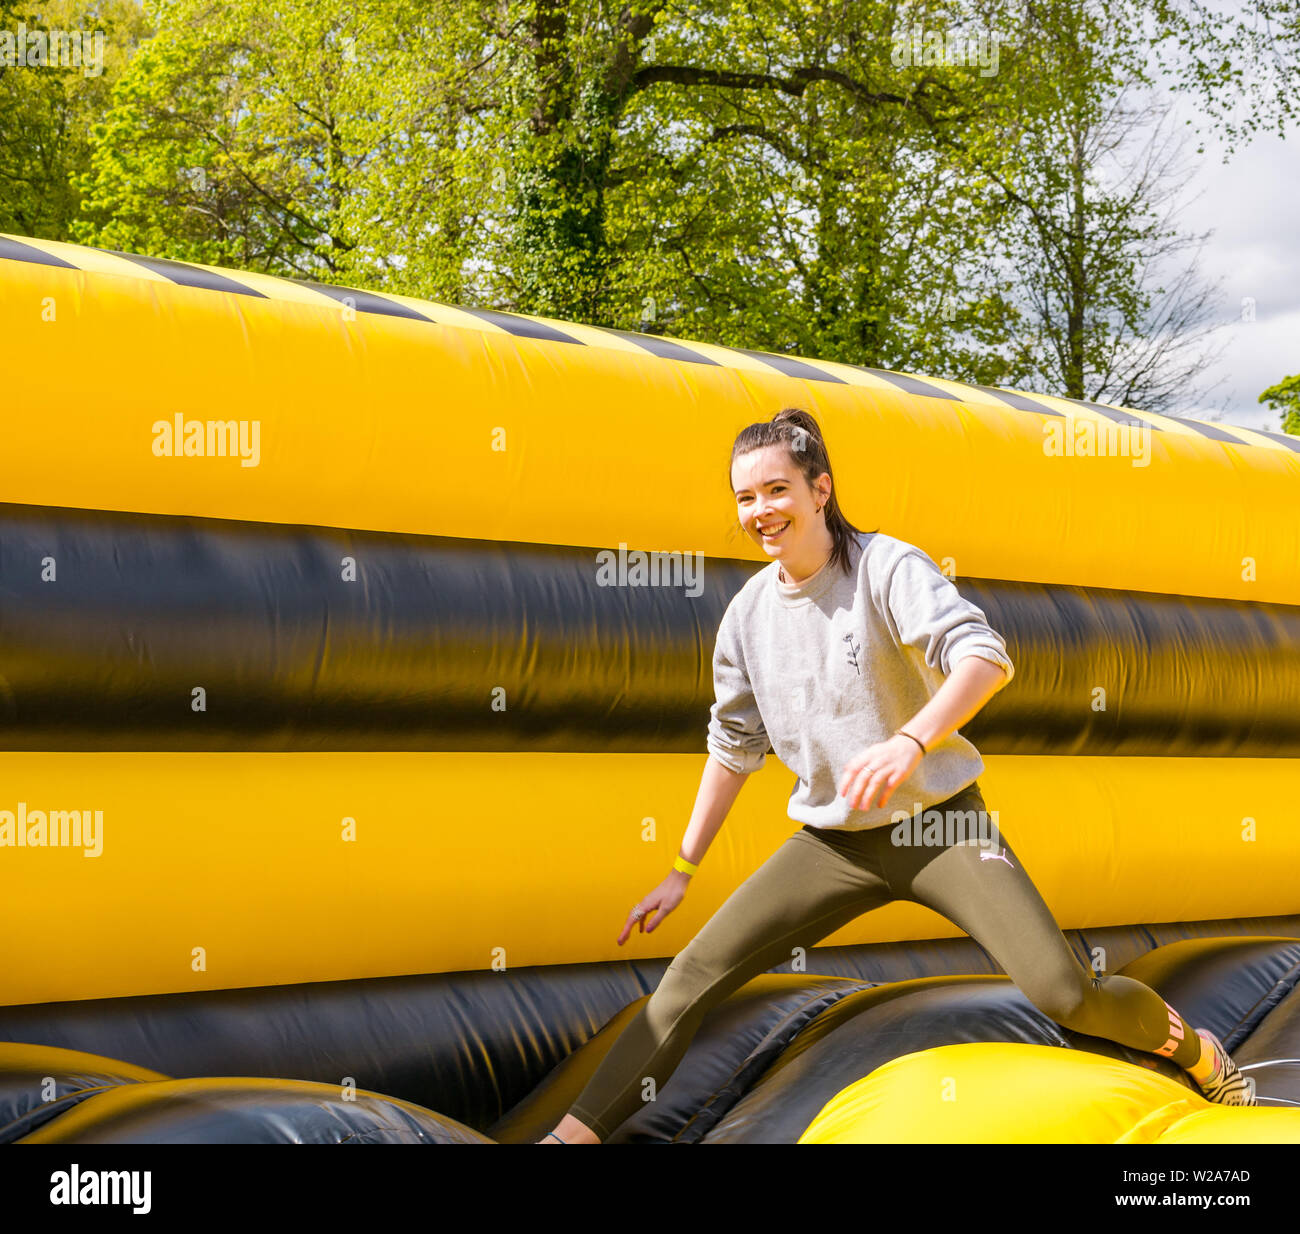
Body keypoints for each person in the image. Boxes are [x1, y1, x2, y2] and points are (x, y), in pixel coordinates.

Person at [537, 407, 1255, 1144]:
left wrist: (911, 741)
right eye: (745, 498)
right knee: (689, 976)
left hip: (941, 824)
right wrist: (681, 868)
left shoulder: (885, 567)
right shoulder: (748, 616)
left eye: (776, 490)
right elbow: (732, 748)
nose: (760, 511)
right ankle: (570, 1139)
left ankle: (1200, 1053)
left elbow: (984, 658)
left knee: (1062, 991)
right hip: (834, 846)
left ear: (821, 489)